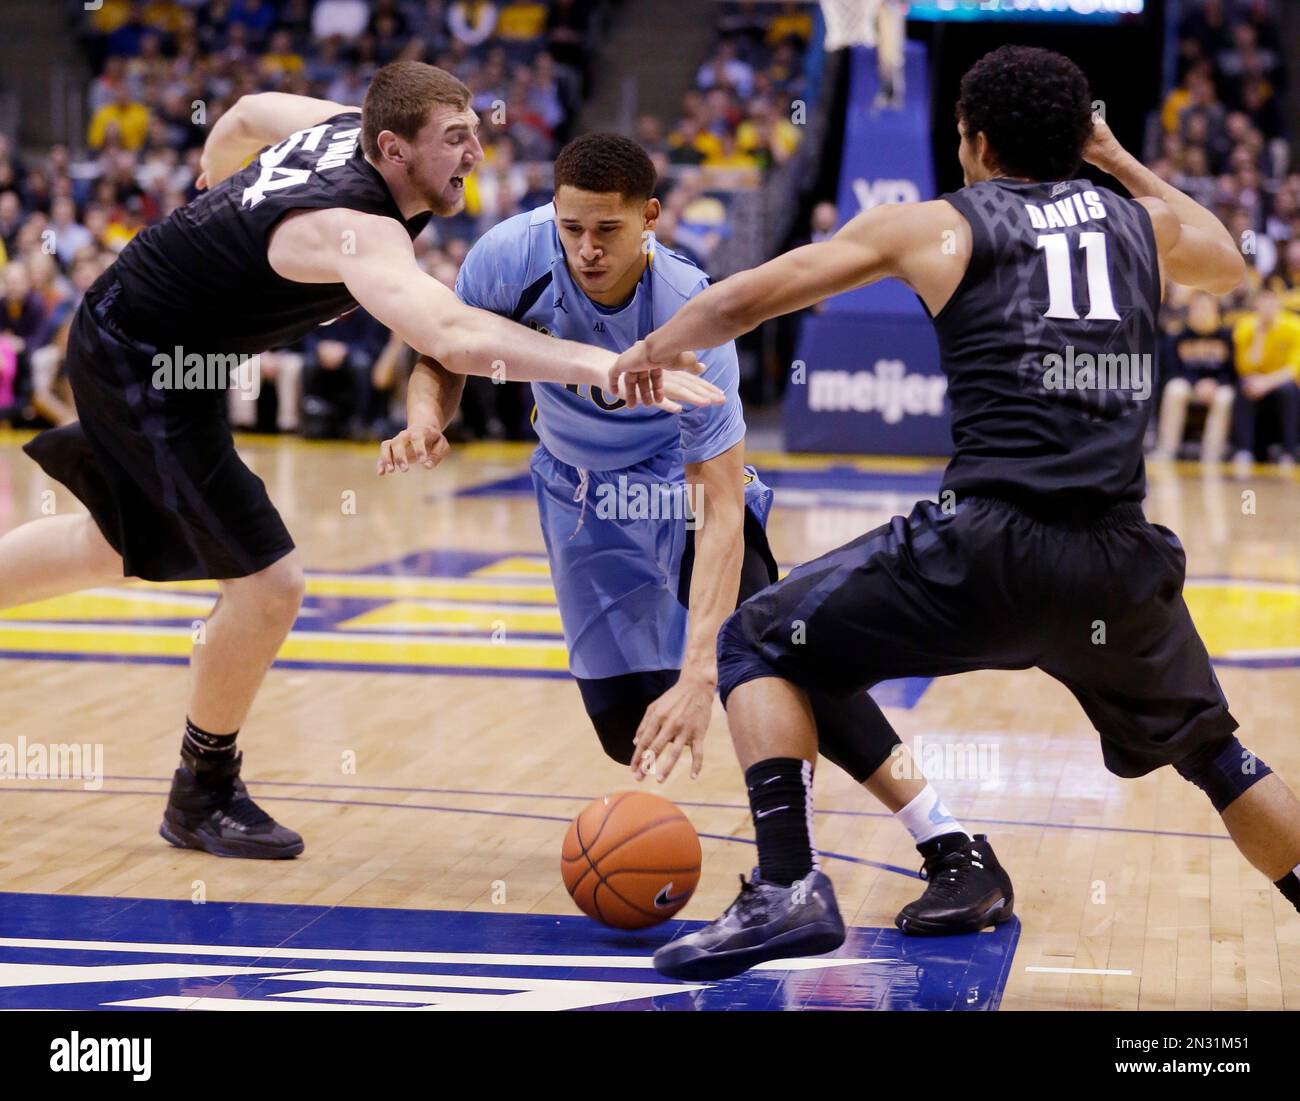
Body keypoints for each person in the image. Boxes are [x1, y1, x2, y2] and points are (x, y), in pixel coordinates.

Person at [618, 46, 1300, 981]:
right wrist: (1117, 157)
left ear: (973, 143)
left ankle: (788, 885)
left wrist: (648, 352)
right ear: (1081, 139)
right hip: (1118, 562)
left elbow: (749, 295)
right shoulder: (1136, 219)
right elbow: (1225, 261)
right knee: (1219, 757)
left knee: (759, 640)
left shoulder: (935, 224)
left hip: (984, 549)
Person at [3, 61, 714, 862]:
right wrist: (604, 365)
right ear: (393, 146)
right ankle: (201, 790)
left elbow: (243, 113)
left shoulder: (348, 127)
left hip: (151, 343)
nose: (475, 153)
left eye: (474, 131)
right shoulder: (355, 224)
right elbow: (452, 338)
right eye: (455, 140)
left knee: (122, 542)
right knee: (269, 587)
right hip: (140, 364)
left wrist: (214, 186)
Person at [381, 131, 1011, 935]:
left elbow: (718, 508)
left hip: (677, 492)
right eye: (571, 227)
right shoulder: (509, 255)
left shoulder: (693, 305)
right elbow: (445, 349)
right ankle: (773, 746)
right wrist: (426, 415)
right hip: (579, 501)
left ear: (649, 217)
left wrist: (702, 670)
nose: (585, 249)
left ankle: (946, 843)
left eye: (606, 230)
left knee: (776, 649)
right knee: (625, 736)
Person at [1151, 290, 1235, 462]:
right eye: (1197, 308)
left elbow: (1233, 371)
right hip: (1190, 386)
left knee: (1225, 396)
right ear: (1189, 312)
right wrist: (1196, 383)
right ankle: (1167, 449)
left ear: (1216, 311)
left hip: (1217, 387)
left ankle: (1212, 453)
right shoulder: (1177, 337)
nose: (1201, 312)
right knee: (1175, 389)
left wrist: (1215, 383)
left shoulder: (1228, 337)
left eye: (1206, 308)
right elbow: (1172, 371)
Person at [1230, 287, 1300, 471]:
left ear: (1279, 304)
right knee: (1244, 385)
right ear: (1256, 305)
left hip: (1281, 381)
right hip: (1257, 379)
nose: (1267, 307)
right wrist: (1259, 334)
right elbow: (1245, 367)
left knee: (1288, 389)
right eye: (1263, 302)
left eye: (1271, 302)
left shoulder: (1294, 325)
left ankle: (1289, 451)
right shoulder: (1246, 326)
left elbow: (1293, 369)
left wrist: (1266, 383)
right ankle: (1244, 450)